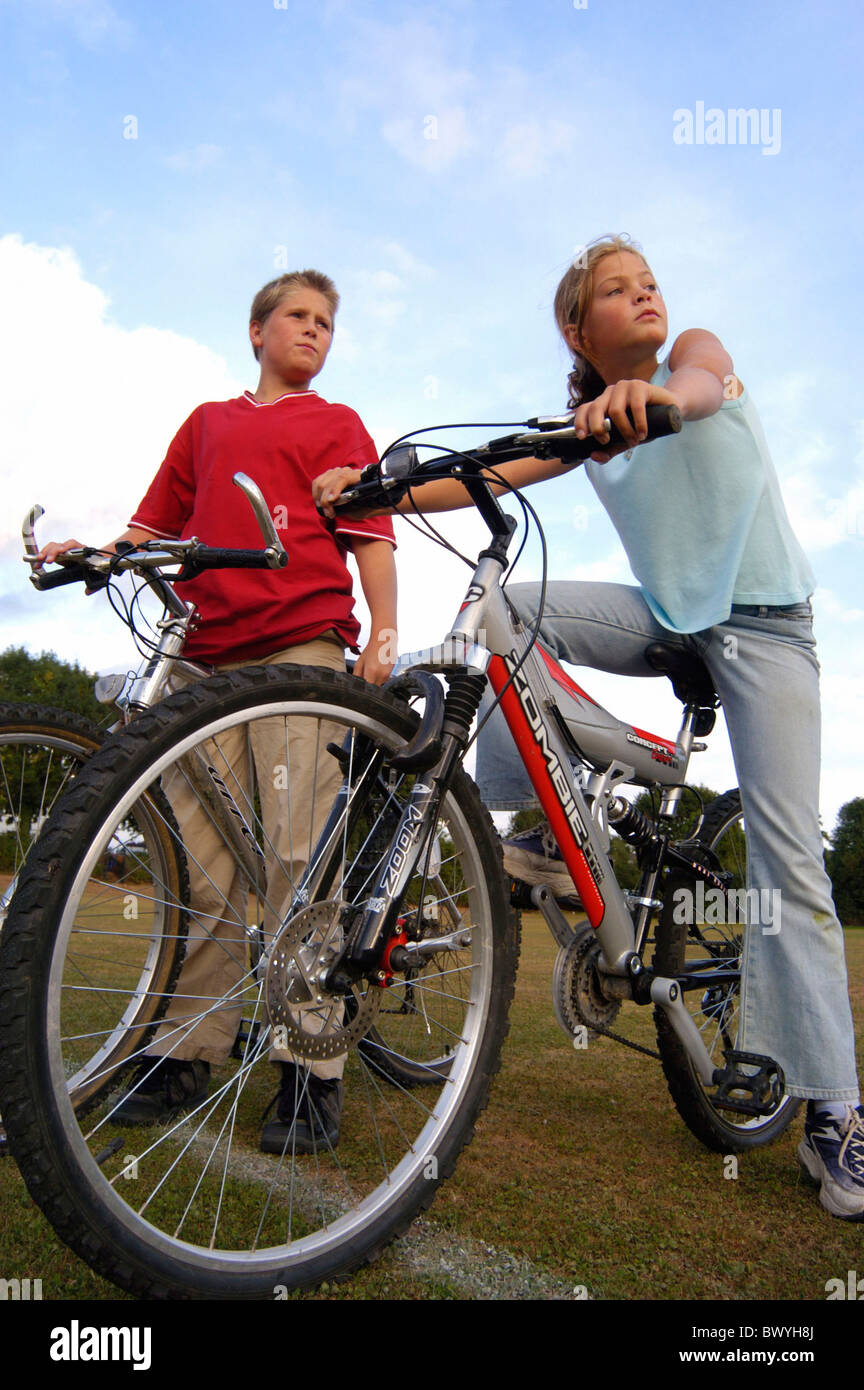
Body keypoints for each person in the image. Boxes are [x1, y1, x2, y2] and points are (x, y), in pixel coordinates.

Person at [313, 235, 864, 1220]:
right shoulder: (586, 426)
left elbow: (697, 384)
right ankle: (541, 833)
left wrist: (653, 401)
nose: (646, 293)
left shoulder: (687, 357)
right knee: (505, 611)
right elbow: (491, 471)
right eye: (618, 288)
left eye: (649, 281)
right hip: (669, 618)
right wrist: (374, 489)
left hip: (766, 627)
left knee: (789, 861)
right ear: (578, 327)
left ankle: (838, 1109)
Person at [36, 269, 397, 1153]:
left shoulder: (337, 424)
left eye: (326, 322)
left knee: (292, 856)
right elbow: (155, 526)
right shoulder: (206, 423)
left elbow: (371, 529)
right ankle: (184, 1050)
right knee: (201, 869)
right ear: (256, 330)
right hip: (205, 661)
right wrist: (97, 549)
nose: (315, 331)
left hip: (299, 654)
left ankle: (309, 1068)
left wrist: (385, 627)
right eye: (298, 317)